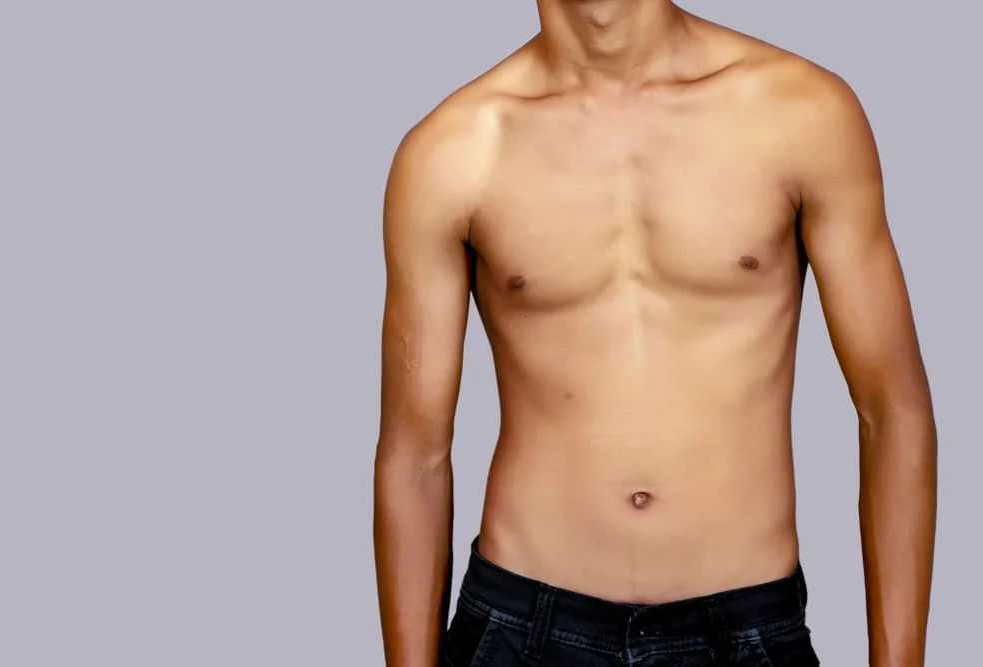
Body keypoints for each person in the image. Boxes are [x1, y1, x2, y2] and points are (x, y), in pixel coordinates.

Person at [372, 1, 937, 665]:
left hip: (744, 629)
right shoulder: (452, 151)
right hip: (522, 630)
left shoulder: (800, 113)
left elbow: (894, 412)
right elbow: (414, 455)